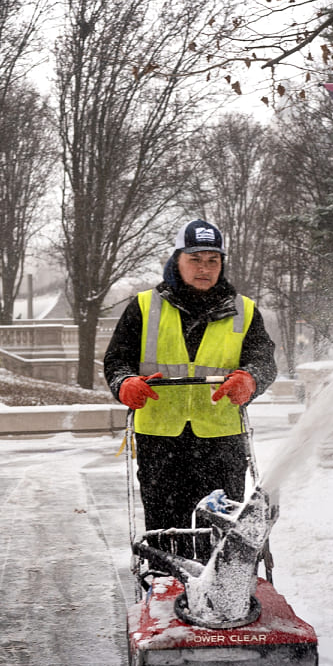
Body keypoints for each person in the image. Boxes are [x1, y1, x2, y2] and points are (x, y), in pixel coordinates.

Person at [102, 219, 277, 533]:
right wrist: (125, 384)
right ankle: (164, 578)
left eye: (213, 261)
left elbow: (263, 361)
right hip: (160, 440)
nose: (204, 268)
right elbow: (117, 361)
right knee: (166, 527)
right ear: (176, 261)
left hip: (221, 441)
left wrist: (250, 379)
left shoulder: (245, 310)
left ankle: (222, 580)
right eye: (194, 259)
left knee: (221, 527)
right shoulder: (143, 307)